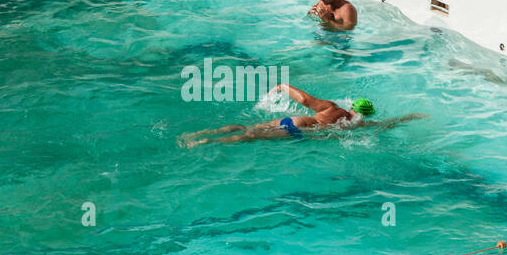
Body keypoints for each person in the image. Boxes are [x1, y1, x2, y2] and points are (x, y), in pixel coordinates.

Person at [178, 83, 420, 146]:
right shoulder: (357, 125)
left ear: (353, 106)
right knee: (252, 137)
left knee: (247, 127)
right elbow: (388, 124)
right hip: (298, 131)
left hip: (294, 121)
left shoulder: (333, 107)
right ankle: (205, 142)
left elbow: (304, 100)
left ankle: (200, 133)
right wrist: (410, 118)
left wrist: (284, 87)